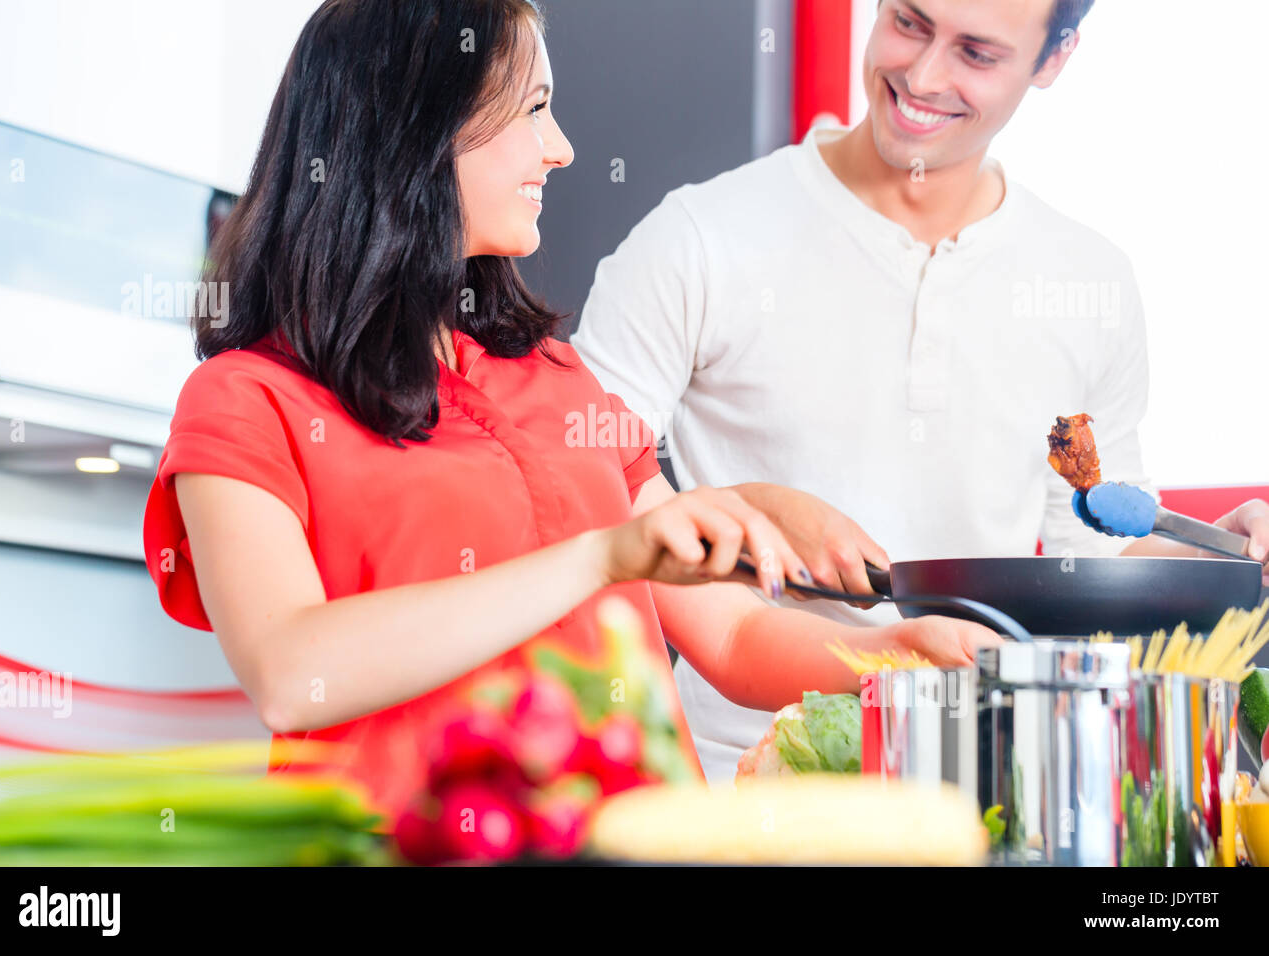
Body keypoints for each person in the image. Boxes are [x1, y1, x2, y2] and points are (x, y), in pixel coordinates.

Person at [141, 0, 998, 822]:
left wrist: (888, 656)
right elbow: (294, 669)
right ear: (417, 127)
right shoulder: (245, 403)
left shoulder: (556, 376)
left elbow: (730, 638)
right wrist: (601, 558)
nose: (561, 148)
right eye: (533, 110)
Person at [572, 0, 1269, 780]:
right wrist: (758, 505)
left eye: (976, 52)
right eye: (909, 22)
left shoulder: (1088, 281)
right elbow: (577, 485)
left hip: (986, 783)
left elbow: (1094, 539)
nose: (921, 75)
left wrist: (1224, 552)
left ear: (1053, 59)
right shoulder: (698, 239)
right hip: (743, 784)